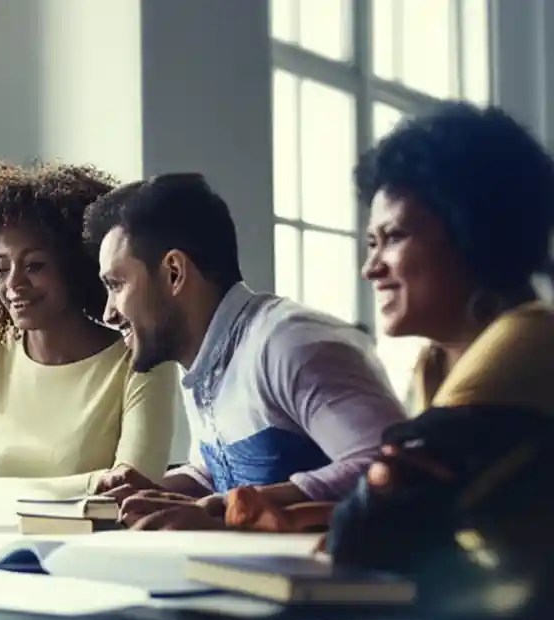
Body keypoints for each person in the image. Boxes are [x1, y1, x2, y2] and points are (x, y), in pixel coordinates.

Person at [233, 105, 554, 586]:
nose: (371, 268)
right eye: (370, 243)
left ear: (475, 232)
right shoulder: (436, 362)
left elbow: (378, 530)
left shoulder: (530, 338)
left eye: (393, 237)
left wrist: (365, 511)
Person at [88, 173, 407, 529]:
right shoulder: (199, 353)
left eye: (115, 285)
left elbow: (387, 465)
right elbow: (219, 472)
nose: (108, 312)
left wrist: (221, 508)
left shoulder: (290, 343)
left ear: (174, 273)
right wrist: (153, 492)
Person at [0, 162, 179, 499]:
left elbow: (132, 485)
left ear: (76, 267)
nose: (13, 284)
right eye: (2, 267)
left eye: (34, 266)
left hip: (94, 548)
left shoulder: (142, 364)